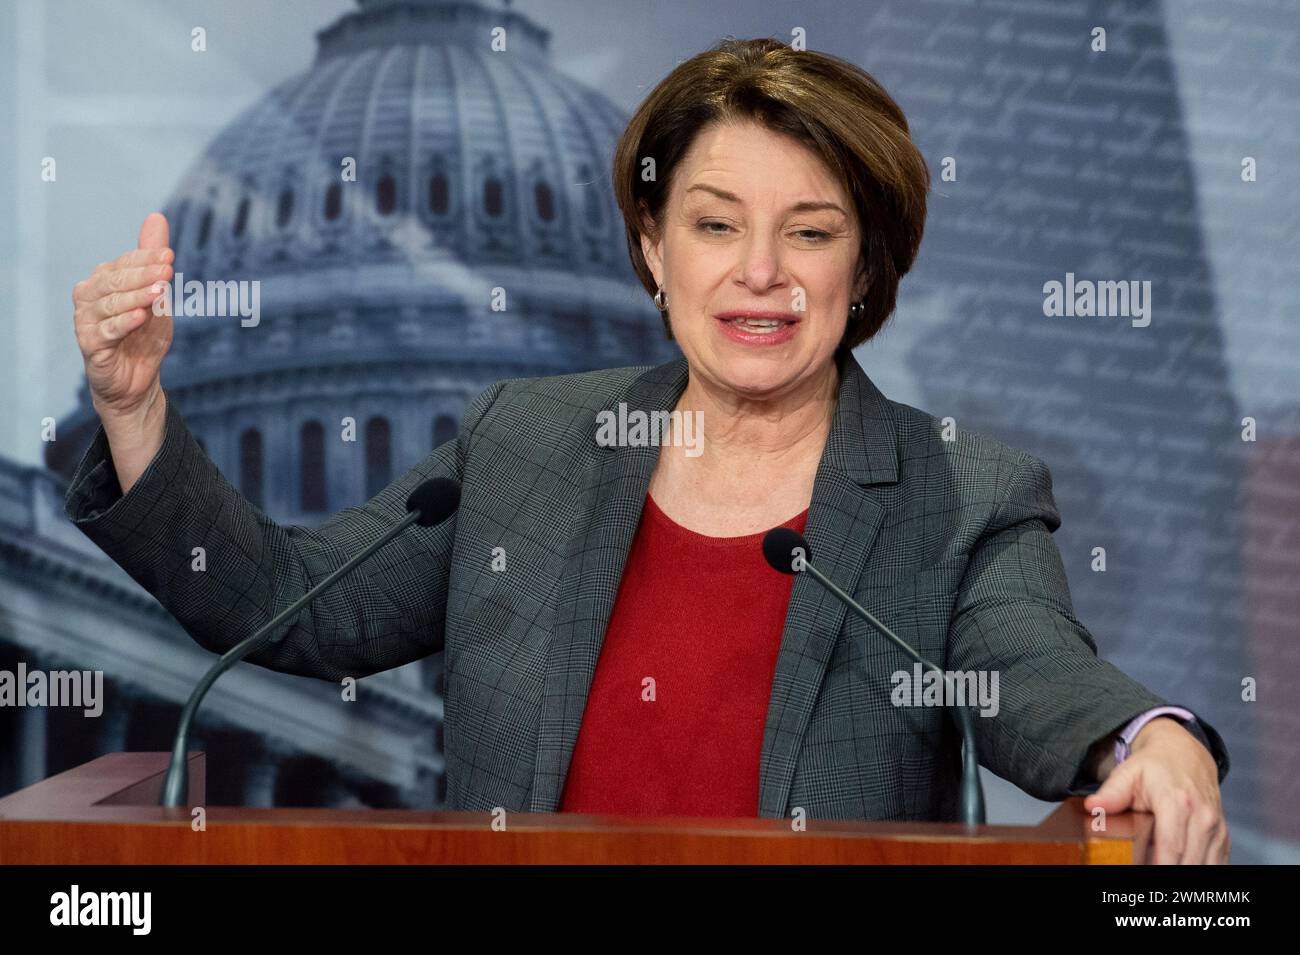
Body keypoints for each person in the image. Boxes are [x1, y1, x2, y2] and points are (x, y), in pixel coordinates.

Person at [65, 37, 1229, 861]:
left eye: (809, 232)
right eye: (714, 224)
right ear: (653, 248)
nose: (758, 273)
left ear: (865, 268)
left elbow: (1031, 668)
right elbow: (289, 601)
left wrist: (1151, 736)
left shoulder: (961, 493)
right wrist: (131, 411)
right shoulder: (522, 443)